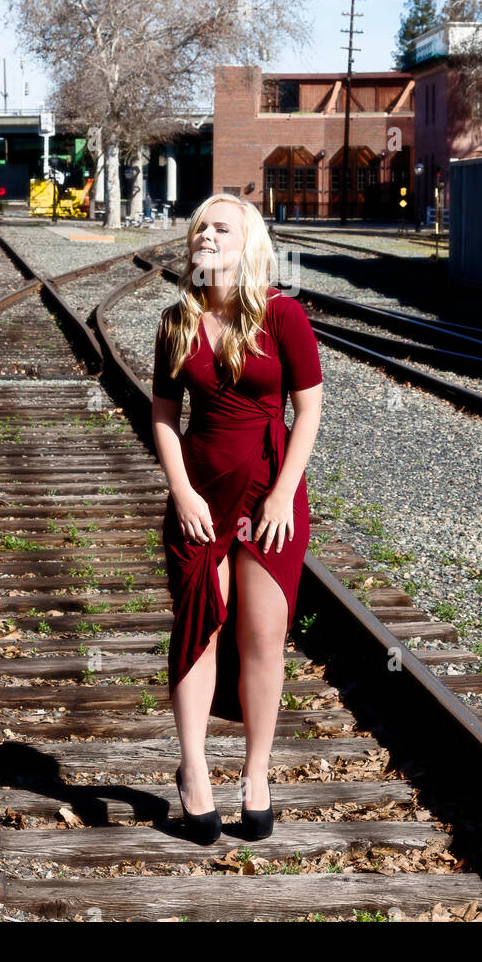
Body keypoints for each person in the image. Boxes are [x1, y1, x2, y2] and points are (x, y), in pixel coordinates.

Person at [151, 192, 323, 842]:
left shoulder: (282, 316)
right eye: (200, 228)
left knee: (260, 634)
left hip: (268, 493)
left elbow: (307, 409)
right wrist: (182, 492)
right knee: (197, 625)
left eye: (221, 227)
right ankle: (194, 771)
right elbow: (165, 417)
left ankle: (256, 773)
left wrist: (282, 495)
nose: (207, 236)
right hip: (201, 490)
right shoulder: (176, 321)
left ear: (248, 241)